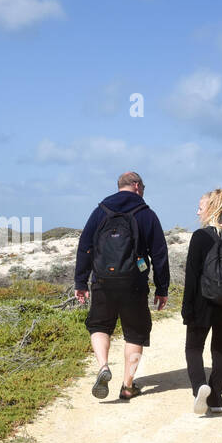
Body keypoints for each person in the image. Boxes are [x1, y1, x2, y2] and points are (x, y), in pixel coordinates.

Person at [74, 171, 169, 400]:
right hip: (134, 283)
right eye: (143, 186)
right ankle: (127, 385)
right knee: (135, 333)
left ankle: (104, 366)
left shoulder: (100, 211)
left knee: (99, 325)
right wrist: (161, 288)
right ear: (136, 186)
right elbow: (159, 254)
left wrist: (81, 282)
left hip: (102, 281)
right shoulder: (146, 214)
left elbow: (85, 247)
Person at [181, 188, 222, 414]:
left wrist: (186, 308)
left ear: (210, 208)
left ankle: (200, 388)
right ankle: (216, 399)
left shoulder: (200, 237)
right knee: (220, 350)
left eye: (200, 207)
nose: (197, 212)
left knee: (193, 348)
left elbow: (192, 275)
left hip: (203, 303)